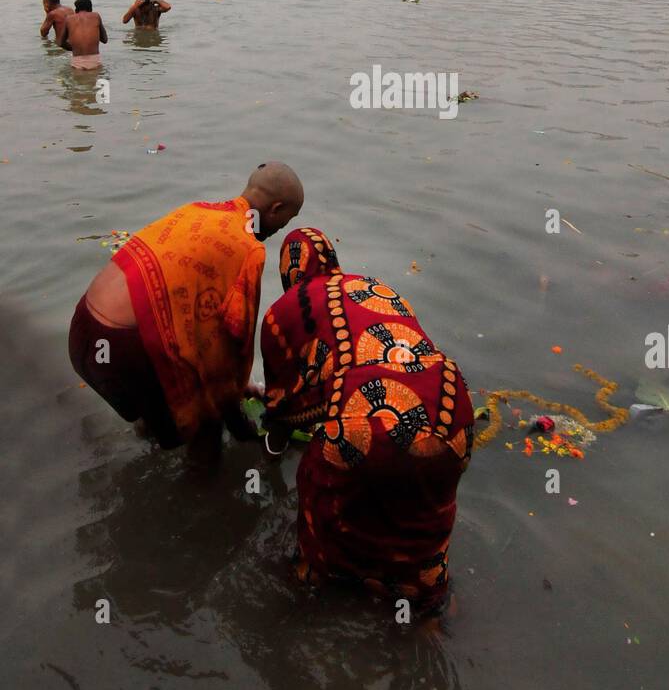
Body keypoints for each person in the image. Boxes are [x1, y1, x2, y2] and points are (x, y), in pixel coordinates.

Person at [258, 228, 473, 608]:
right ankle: (426, 608)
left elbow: (283, 406)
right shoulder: (375, 286)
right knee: (425, 516)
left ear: (289, 270)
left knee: (321, 493)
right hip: (449, 402)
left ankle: (313, 581)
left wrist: (271, 439)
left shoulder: (284, 311)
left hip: (365, 412)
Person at [68, 162, 304, 449]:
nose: (281, 228)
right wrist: (237, 414)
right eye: (287, 221)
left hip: (83, 335)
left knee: (161, 421)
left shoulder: (195, 210)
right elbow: (230, 347)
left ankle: (156, 436)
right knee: (206, 433)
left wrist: (236, 388)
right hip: (122, 352)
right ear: (275, 209)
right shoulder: (249, 249)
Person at [61, 0, 108, 70]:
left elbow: (61, 42)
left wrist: (74, 48)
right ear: (91, 9)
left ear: (76, 9)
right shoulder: (96, 16)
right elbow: (105, 40)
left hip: (77, 63)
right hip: (94, 62)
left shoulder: (68, 19)